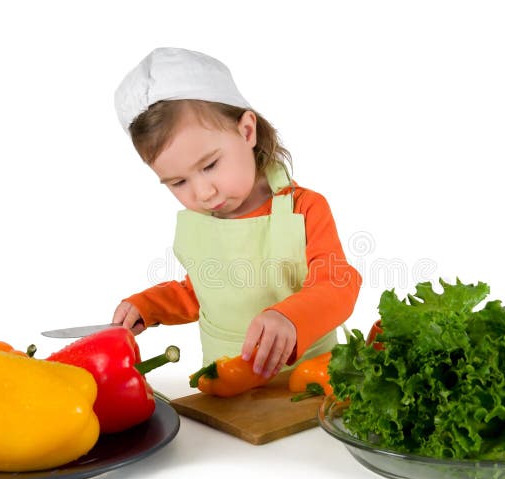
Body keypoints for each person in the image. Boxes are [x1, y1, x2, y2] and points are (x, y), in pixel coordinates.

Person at [112, 48, 361, 378]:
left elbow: (338, 285)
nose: (203, 193)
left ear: (246, 131)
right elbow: (201, 291)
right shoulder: (203, 222)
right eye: (178, 182)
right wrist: (149, 305)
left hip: (308, 387)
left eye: (210, 165)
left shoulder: (305, 208)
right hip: (225, 398)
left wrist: (291, 317)